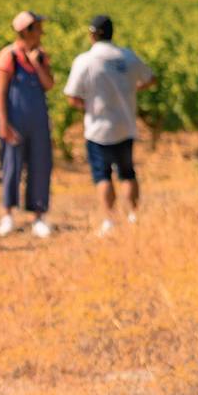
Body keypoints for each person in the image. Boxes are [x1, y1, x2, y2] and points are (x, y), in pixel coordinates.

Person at [62, 13, 156, 235]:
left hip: (98, 128)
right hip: (125, 124)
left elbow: (72, 96)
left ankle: (109, 220)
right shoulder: (128, 57)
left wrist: (89, 105)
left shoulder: (85, 61)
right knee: (127, 172)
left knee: (102, 175)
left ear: (92, 35)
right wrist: (132, 90)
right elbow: (150, 79)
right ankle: (133, 216)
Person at [0, 10, 56, 238]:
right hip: (15, 121)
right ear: (26, 31)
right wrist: (3, 122)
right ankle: (7, 214)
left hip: (38, 121)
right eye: (38, 27)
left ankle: (38, 216)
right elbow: (0, 91)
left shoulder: (41, 56)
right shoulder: (8, 56)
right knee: (12, 167)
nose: (42, 32)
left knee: (40, 167)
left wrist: (37, 65)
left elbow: (49, 85)